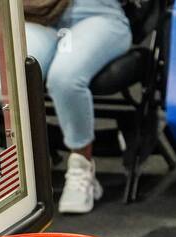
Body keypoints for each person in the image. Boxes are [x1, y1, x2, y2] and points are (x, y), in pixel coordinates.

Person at [24, 0, 132, 214]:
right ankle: (23, 172)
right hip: (39, 15)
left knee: (65, 78)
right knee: (15, 75)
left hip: (98, 14)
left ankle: (81, 167)